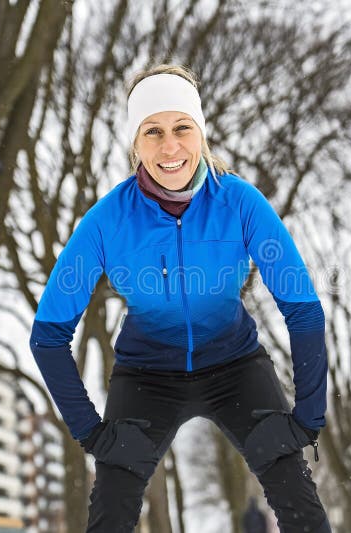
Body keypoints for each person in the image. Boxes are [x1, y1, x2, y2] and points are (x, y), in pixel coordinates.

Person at [29, 64, 331, 533]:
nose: (169, 147)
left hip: (235, 365)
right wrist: (90, 433)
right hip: (147, 375)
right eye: (153, 132)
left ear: (201, 133)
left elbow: (303, 309)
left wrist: (308, 420)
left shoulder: (240, 203)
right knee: (110, 511)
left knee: (301, 505)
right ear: (135, 142)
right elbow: (48, 335)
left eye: (181, 128)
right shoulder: (107, 221)